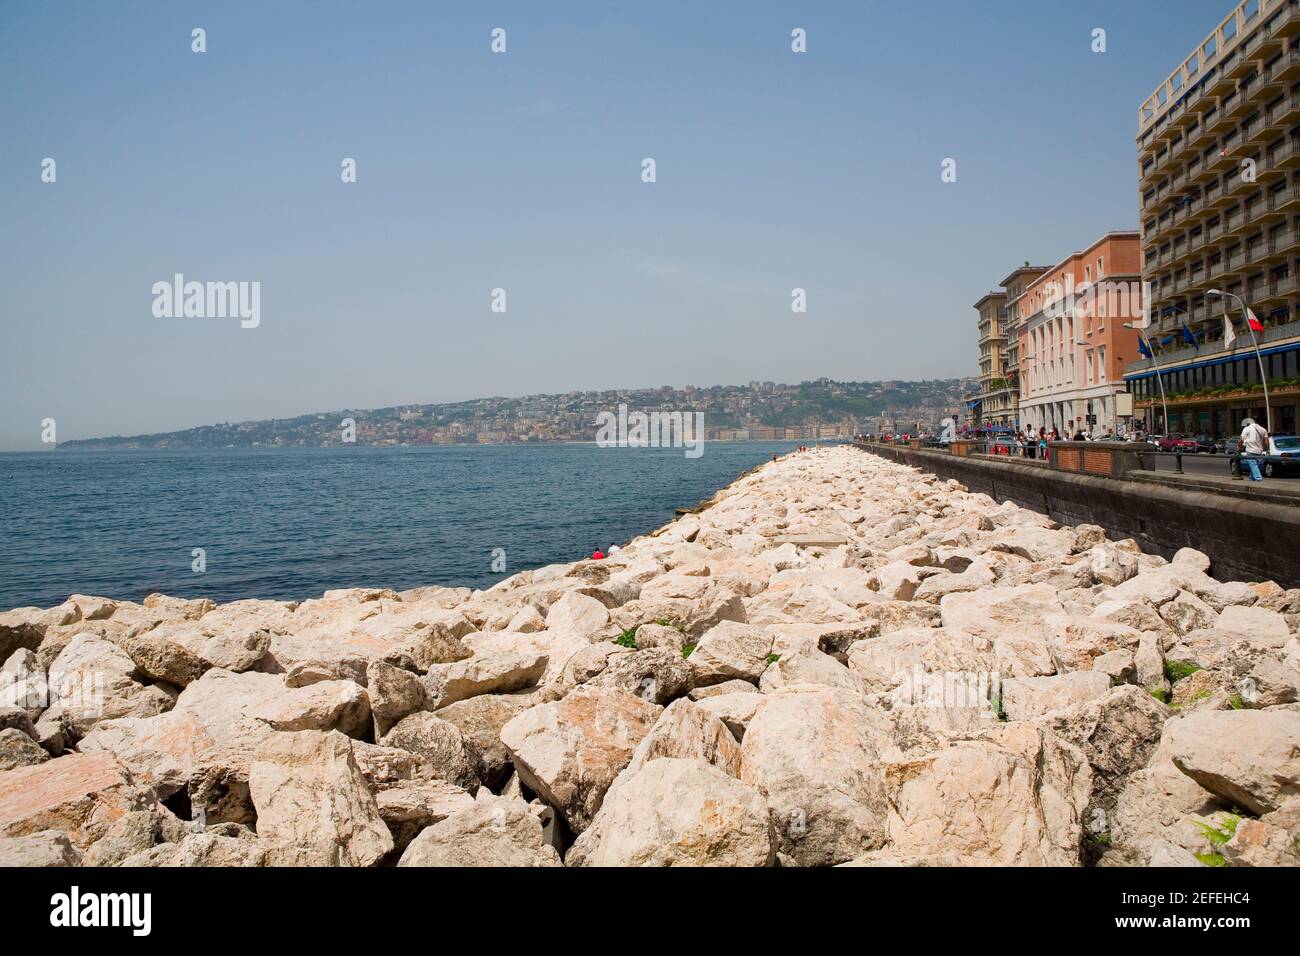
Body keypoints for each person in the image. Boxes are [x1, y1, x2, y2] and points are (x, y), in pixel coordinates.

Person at [1240, 416, 1269, 481]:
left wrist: (1239, 447)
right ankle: (1252, 478)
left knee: (1253, 465)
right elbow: (1267, 441)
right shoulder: (1263, 429)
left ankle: (1259, 479)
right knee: (1255, 465)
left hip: (1250, 450)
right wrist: (1268, 449)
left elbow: (1241, 439)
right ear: (1259, 421)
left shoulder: (1247, 428)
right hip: (1259, 451)